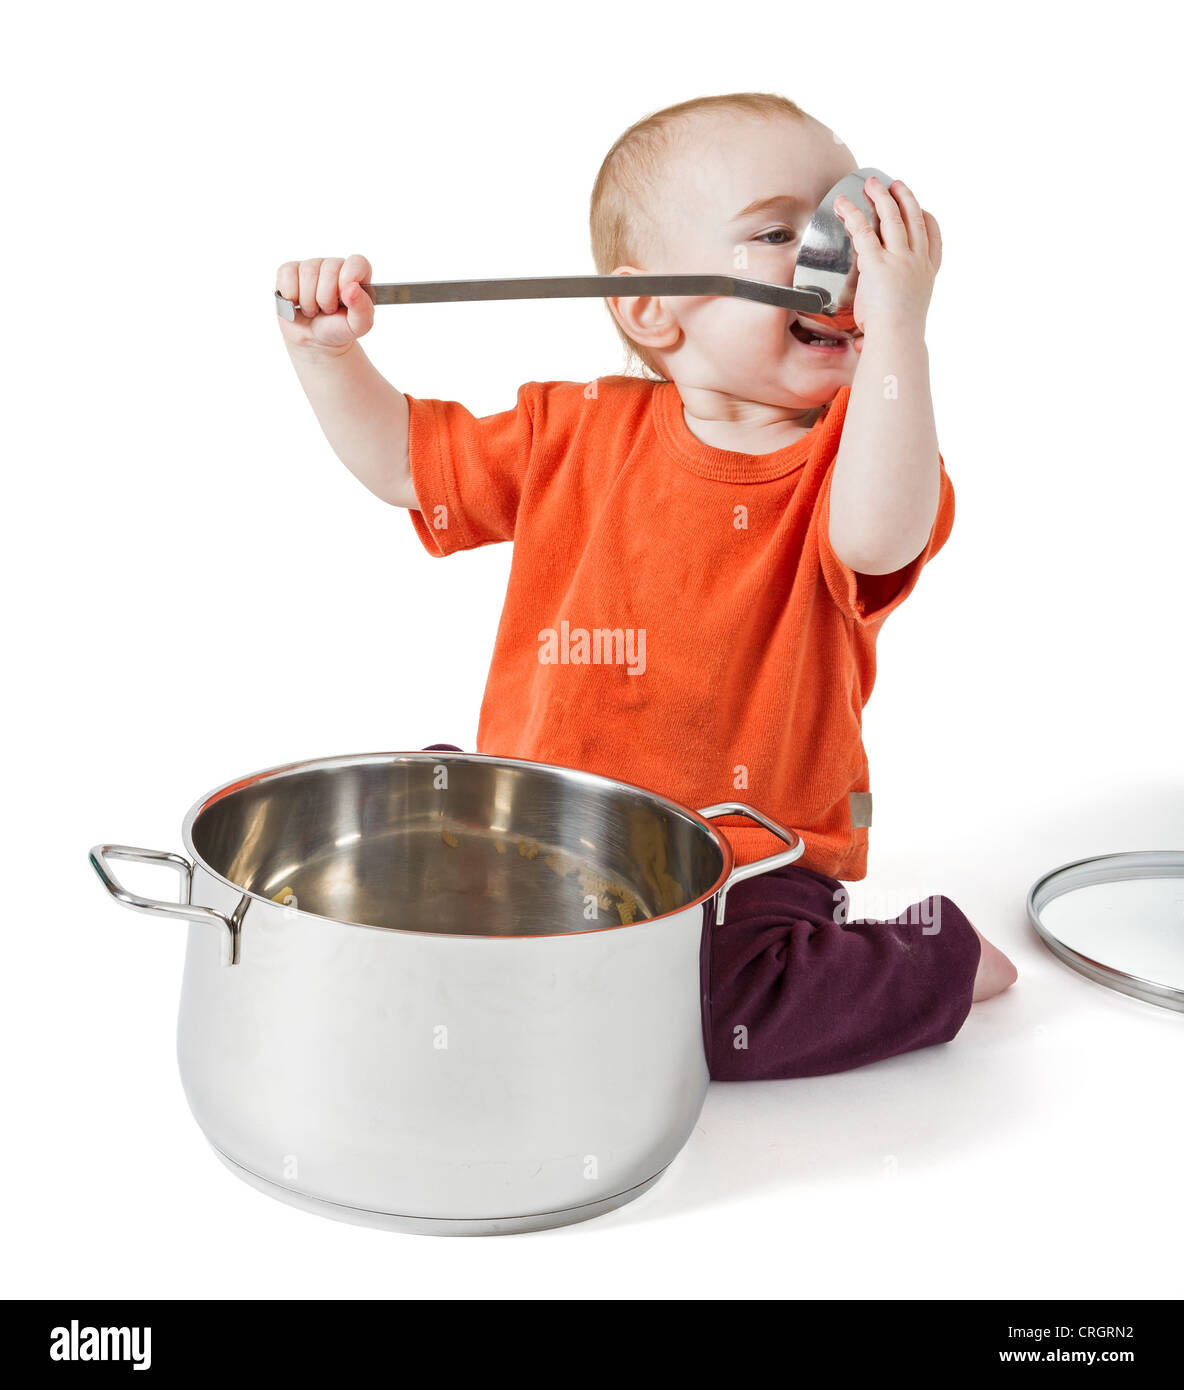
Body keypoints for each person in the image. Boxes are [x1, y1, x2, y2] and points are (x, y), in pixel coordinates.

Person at [275, 91, 1016, 1081]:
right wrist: (328, 357)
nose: (833, 252)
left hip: (747, 864)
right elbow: (409, 463)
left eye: (842, 221)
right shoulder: (572, 427)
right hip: (553, 827)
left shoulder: (854, 461)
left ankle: (932, 960)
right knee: (420, 809)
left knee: (707, 1017)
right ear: (647, 306)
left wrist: (900, 332)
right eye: (776, 228)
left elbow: (881, 537)